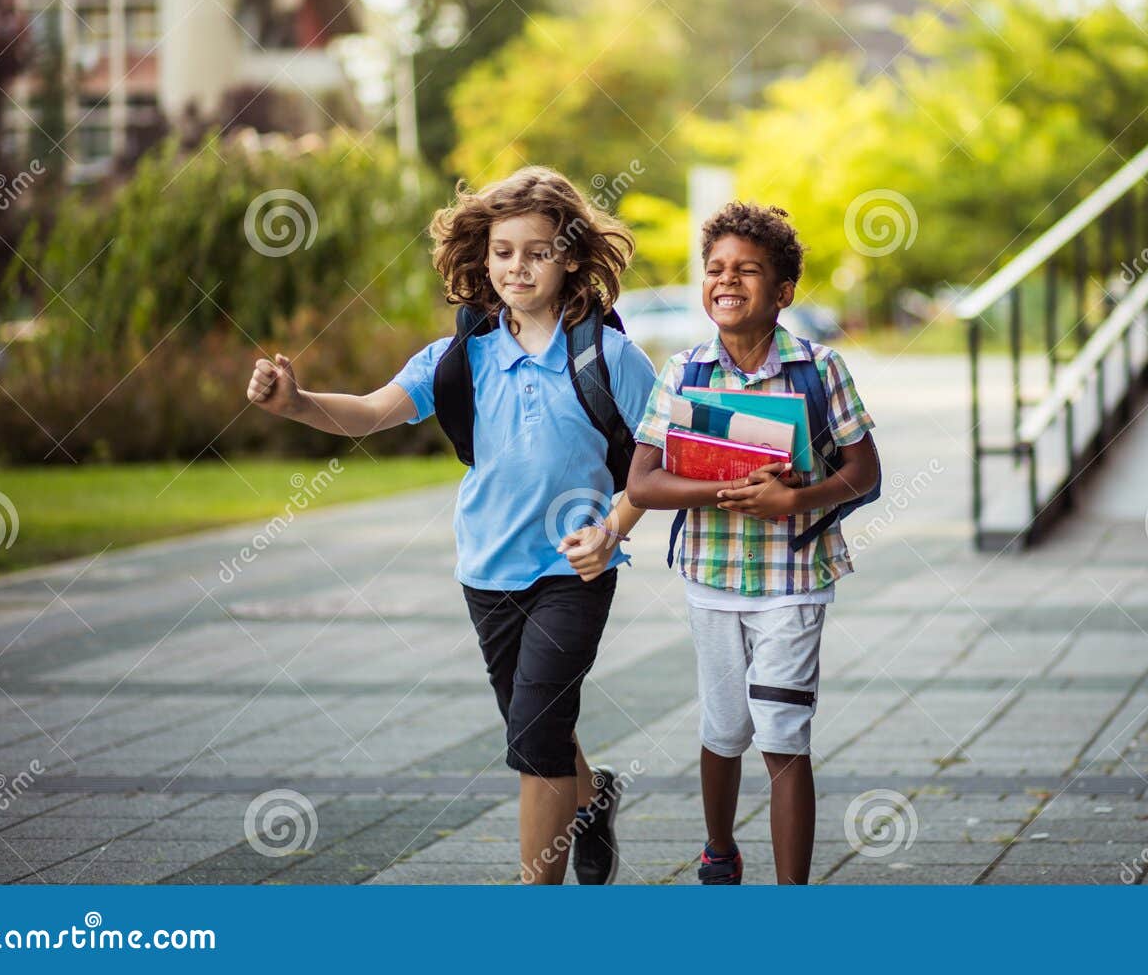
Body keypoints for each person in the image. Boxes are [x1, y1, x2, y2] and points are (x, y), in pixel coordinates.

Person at [245, 166, 655, 885]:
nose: (517, 266)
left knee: (534, 738)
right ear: (482, 256)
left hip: (575, 569)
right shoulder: (458, 358)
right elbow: (372, 412)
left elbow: (664, 460)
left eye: (536, 251)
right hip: (488, 572)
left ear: (569, 257)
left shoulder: (608, 356)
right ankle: (593, 799)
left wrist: (613, 528)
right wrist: (297, 400)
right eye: (503, 251)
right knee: (541, 732)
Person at [626, 201, 879, 884]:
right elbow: (643, 484)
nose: (726, 280)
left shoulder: (819, 368)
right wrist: (724, 487)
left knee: (782, 735)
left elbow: (865, 472)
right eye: (714, 269)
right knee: (724, 728)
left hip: (794, 577)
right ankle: (719, 847)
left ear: (783, 291)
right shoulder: (682, 372)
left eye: (747, 269)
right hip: (709, 576)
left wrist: (795, 499)